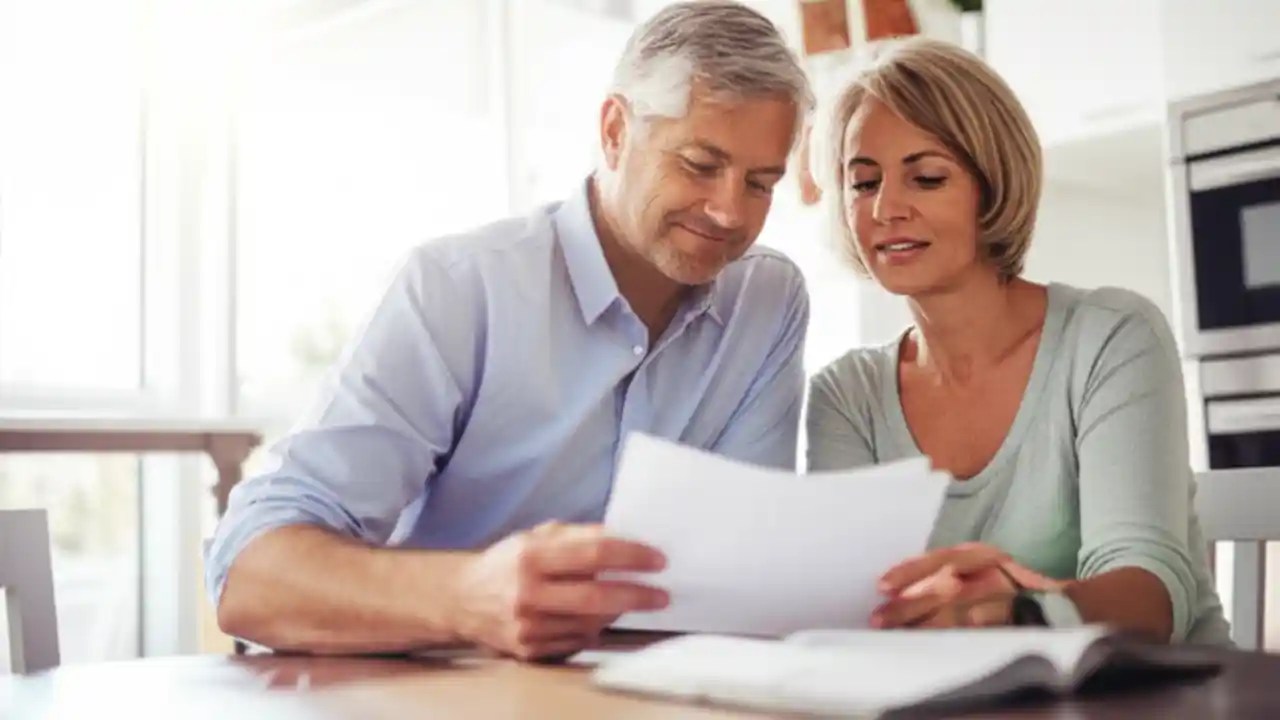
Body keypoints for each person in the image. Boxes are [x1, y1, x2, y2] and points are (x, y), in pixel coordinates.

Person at [207, 1, 813, 661]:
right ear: (615, 130)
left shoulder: (767, 302)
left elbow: (749, 570)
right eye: (699, 164)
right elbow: (249, 573)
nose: (729, 211)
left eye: (761, 183)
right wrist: (470, 596)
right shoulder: (460, 288)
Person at [805, 37, 1231, 645]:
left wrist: (1017, 609)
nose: (886, 208)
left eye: (926, 178)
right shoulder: (845, 397)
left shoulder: (1111, 339)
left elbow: (1148, 601)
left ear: (992, 187)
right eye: (863, 183)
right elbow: (849, 606)